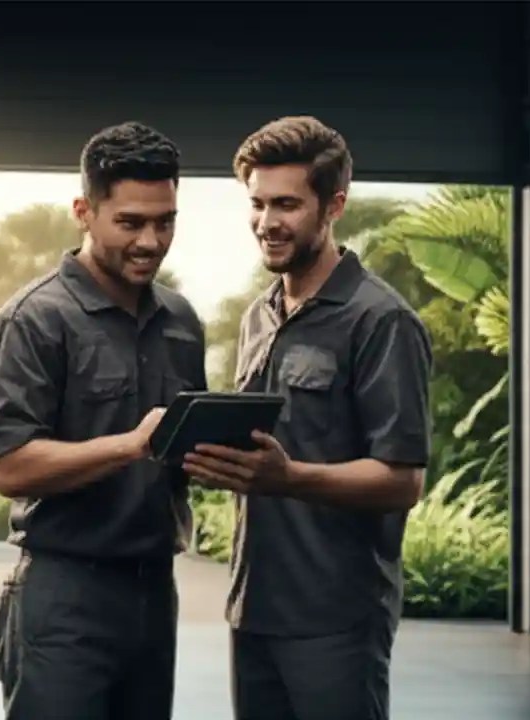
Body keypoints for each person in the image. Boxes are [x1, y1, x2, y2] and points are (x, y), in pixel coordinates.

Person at [183, 115, 433, 720]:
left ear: (333, 205)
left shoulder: (381, 321)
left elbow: (403, 481)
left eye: (287, 204)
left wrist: (288, 477)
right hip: (254, 608)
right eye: (258, 203)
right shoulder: (258, 316)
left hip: (337, 619)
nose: (267, 223)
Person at [0, 120, 206, 720]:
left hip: (155, 592)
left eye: (166, 222)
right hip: (63, 595)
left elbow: (179, 451)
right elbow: (9, 466)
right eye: (130, 222)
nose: (151, 240)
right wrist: (128, 447)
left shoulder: (182, 321)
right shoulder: (34, 320)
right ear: (84, 210)